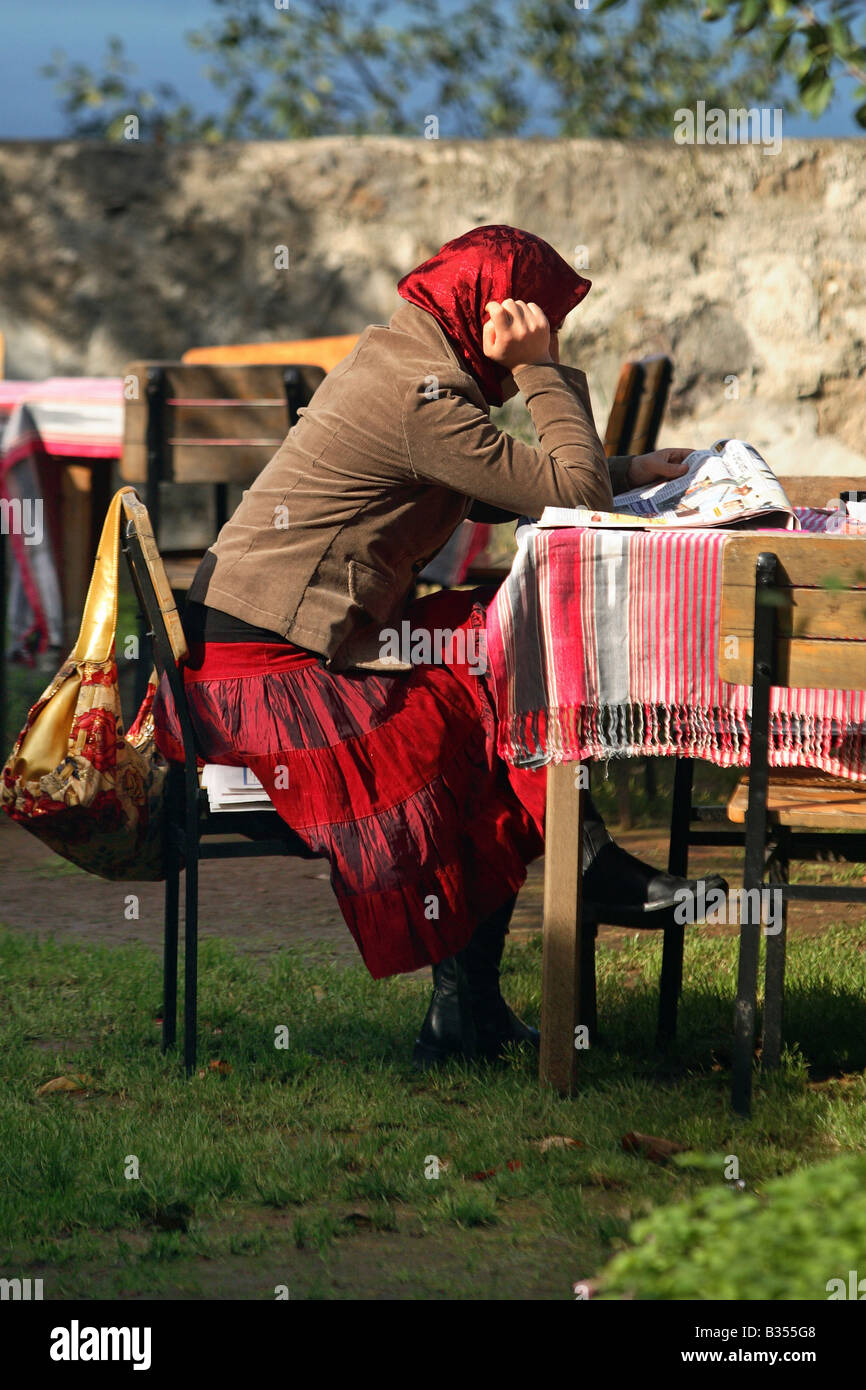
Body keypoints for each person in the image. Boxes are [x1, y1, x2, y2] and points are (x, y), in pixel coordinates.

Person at [152, 225, 725, 1068]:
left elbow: (495, 487)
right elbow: (572, 496)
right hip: (261, 683)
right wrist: (540, 371)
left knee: (494, 629)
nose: (545, 333)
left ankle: (475, 1005)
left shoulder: (409, 365)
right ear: (490, 311)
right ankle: (578, 868)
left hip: (282, 648)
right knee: (485, 686)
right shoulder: (419, 396)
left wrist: (640, 467)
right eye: (540, 318)